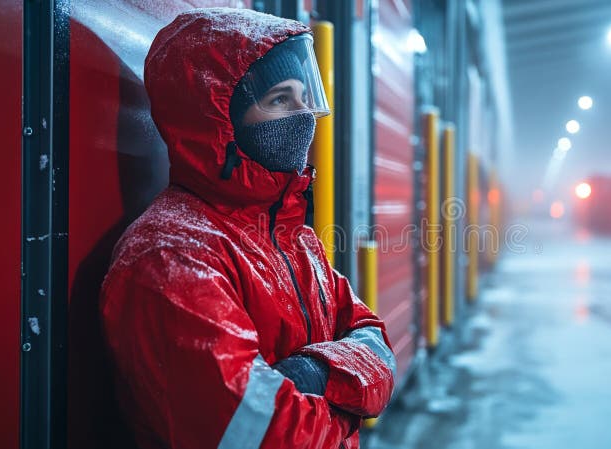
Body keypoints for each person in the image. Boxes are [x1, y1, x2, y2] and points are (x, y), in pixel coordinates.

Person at [99, 8, 396, 449]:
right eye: (280, 99)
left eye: (303, 95)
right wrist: (348, 406)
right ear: (219, 118)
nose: (303, 115)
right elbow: (268, 436)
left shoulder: (290, 236)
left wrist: (313, 374)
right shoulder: (172, 257)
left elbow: (378, 344)